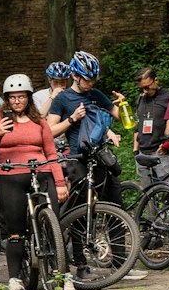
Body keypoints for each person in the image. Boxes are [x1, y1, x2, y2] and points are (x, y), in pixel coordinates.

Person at [0, 74, 69, 290]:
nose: (17, 101)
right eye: (12, 98)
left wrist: (60, 182)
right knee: (16, 231)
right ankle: (14, 278)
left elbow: (51, 153)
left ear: (28, 98)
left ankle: (63, 275)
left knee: (54, 225)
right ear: (7, 99)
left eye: (21, 97)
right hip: (9, 177)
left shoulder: (39, 121)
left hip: (41, 173)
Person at [52, 51, 121, 203]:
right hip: (78, 158)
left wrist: (123, 105)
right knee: (80, 204)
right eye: (88, 80)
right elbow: (50, 131)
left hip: (100, 156)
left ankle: (118, 226)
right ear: (75, 76)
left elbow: (118, 115)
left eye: (93, 80)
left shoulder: (95, 94)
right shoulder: (62, 99)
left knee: (114, 198)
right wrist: (72, 118)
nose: (91, 83)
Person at [129, 67, 169, 187]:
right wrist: (135, 149)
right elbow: (138, 124)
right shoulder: (141, 98)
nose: (144, 91)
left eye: (147, 87)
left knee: (168, 192)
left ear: (156, 81)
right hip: (143, 152)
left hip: (161, 152)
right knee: (148, 194)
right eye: (141, 88)